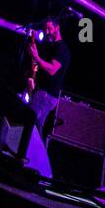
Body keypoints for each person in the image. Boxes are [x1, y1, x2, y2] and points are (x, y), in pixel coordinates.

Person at [17, 14, 72, 161]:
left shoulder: (62, 49)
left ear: (57, 28)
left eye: (49, 29)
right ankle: (35, 162)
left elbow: (52, 69)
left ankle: (35, 162)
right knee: (35, 127)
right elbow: (40, 66)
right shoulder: (51, 47)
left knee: (32, 125)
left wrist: (36, 57)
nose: (46, 32)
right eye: (45, 29)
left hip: (47, 95)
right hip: (43, 92)